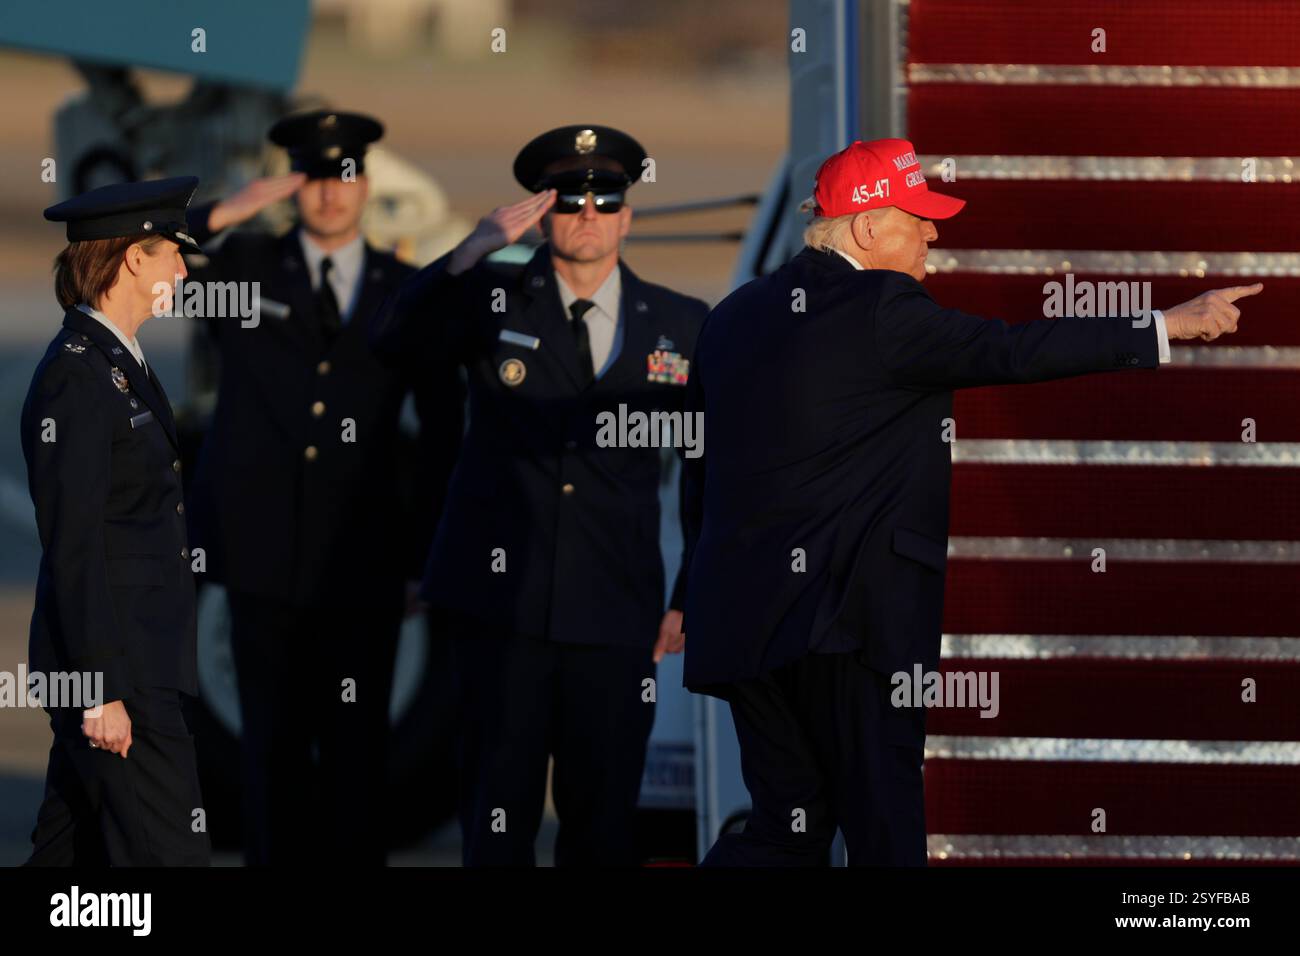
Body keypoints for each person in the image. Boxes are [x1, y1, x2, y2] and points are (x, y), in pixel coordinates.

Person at [681, 137, 1262, 866]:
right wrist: (1166, 325)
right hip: (848, 630)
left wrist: (687, 598)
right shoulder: (884, 308)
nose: (932, 233)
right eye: (917, 216)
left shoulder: (734, 314)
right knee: (884, 829)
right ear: (866, 226)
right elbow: (1017, 350)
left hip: (744, 627)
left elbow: (699, 465)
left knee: (781, 828)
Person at [371, 124, 708, 866]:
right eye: (568, 199)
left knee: (603, 827)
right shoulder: (489, 299)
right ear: (542, 212)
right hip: (501, 612)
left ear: (628, 214)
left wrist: (689, 590)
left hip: (617, 614)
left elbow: (709, 464)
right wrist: (467, 254)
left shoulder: (683, 327)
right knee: (497, 822)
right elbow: (388, 339)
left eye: (605, 197)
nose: (587, 212)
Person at [181, 110, 464, 865]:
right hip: (259, 566)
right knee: (267, 759)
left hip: (364, 569)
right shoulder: (241, 271)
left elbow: (442, 431)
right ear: (293, 187)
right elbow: (134, 250)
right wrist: (223, 209)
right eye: (313, 177)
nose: (331, 195)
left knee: (355, 764)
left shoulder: (406, 290)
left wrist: (423, 556)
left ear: (367, 185)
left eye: (344, 177)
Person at [23, 176, 211, 866]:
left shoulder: (119, 365)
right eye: (173, 254)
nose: (184, 271)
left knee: (70, 864)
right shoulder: (77, 377)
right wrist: (100, 688)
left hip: (137, 660)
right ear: (134, 259)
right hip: (119, 674)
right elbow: (74, 545)